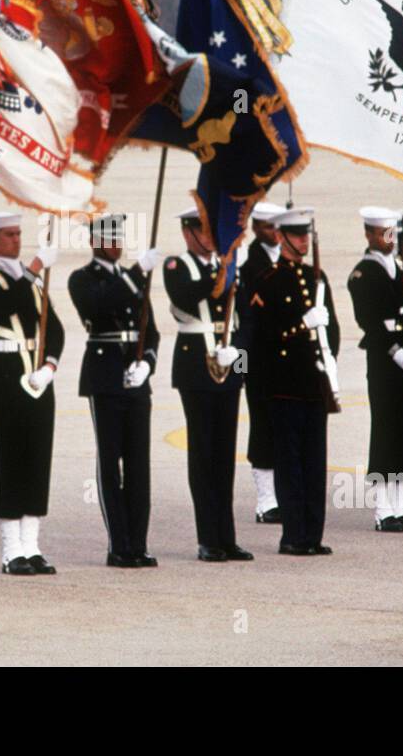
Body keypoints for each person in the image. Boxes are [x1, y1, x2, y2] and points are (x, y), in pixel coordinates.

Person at [0, 212, 65, 575]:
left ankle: (32, 545)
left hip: (37, 376)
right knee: (11, 456)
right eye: (8, 235)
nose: (15, 241)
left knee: (38, 457)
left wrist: (50, 366)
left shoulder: (33, 282)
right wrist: (36, 267)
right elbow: (5, 305)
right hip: (5, 374)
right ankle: (11, 550)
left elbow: (53, 328)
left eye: (18, 234)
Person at [67, 213, 161, 568]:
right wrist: (138, 273)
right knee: (111, 462)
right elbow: (99, 305)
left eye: (118, 238)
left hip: (136, 377)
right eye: (109, 239)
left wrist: (147, 362)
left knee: (139, 464)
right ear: (95, 243)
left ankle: (138, 543)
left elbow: (151, 330)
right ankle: (118, 545)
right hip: (104, 375)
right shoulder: (81, 279)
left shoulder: (133, 280)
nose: (116, 244)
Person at [248, 206, 340, 555]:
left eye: (307, 235)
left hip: (313, 383)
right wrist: (304, 324)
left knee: (315, 462)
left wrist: (328, 362)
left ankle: (313, 535)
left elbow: (332, 329)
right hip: (284, 384)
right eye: (299, 235)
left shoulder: (318, 278)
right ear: (284, 237)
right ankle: (293, 536)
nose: (304, 241)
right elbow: (266, 335)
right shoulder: (268, 281)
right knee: (290, 463)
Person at [164, 207, 251, 562]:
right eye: (203, 230)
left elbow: (245, 318)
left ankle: (227, 537)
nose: (209, 237)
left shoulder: (227, 269)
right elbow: (186, 296)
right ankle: (207, 539)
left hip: (227, 365)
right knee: (202, 453)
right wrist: (224, 270)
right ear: (188, 233)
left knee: (225, 455)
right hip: (195, 367)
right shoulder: (176, 266)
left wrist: (241, 363)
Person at [347, 207, 403, 533]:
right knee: (385, 431)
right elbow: (368, 321)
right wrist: (394, 351)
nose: (389, 239)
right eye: (383, 233)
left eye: (392, 233)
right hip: (383, 358)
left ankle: (400, 507)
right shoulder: (363, 273)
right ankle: (382, 509)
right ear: (369, 235)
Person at [239, 200, 285, 523]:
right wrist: (241, 370)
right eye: (269, 227)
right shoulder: (247, 266)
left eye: (278, 227)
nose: (276, 234)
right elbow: (244, 320)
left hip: (288, 359)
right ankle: (266, 500)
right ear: (256, 228)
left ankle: (284, 494)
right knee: (263, 427)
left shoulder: (289, 261)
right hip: (257, 360)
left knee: (286, 428)